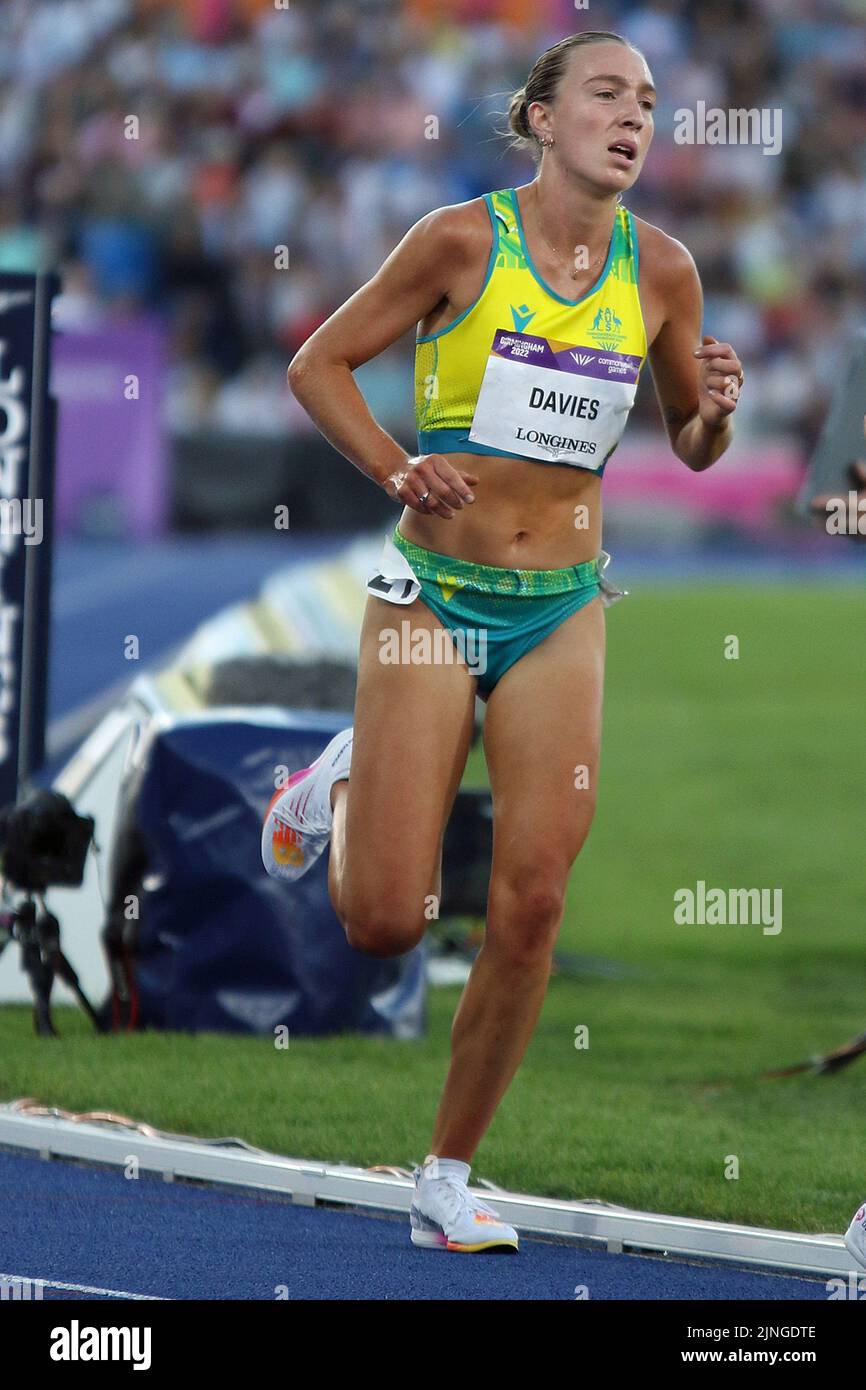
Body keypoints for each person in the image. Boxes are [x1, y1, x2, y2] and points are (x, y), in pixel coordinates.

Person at [263, 30, 743, 1253]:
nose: (633, 116)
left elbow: (689, 441)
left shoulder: (666, 273)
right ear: (541, 119)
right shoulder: (456, 241)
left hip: (564, 605)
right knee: (382, 922)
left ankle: (444, 1174)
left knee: (530, 900)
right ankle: (343, 772)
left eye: (646, 101)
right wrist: (392, 463)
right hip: (432, 592)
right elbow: (318, 366)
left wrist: (715, 417)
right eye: (604, 94)